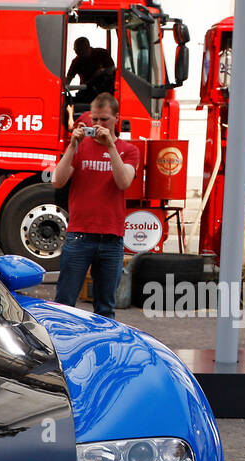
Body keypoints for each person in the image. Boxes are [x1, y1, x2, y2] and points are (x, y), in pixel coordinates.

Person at [52, 93, 139, 319]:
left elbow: (124, 181)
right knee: (64, 303)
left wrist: (111, 147)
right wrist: (72, 147)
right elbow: (57, 180)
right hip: (80, 235)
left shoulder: (128, 150)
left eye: (104, 120)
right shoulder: (81, 146)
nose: (98, 125)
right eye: (95, 120)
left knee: (105, 308)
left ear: (116, 119)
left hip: (111, 238)